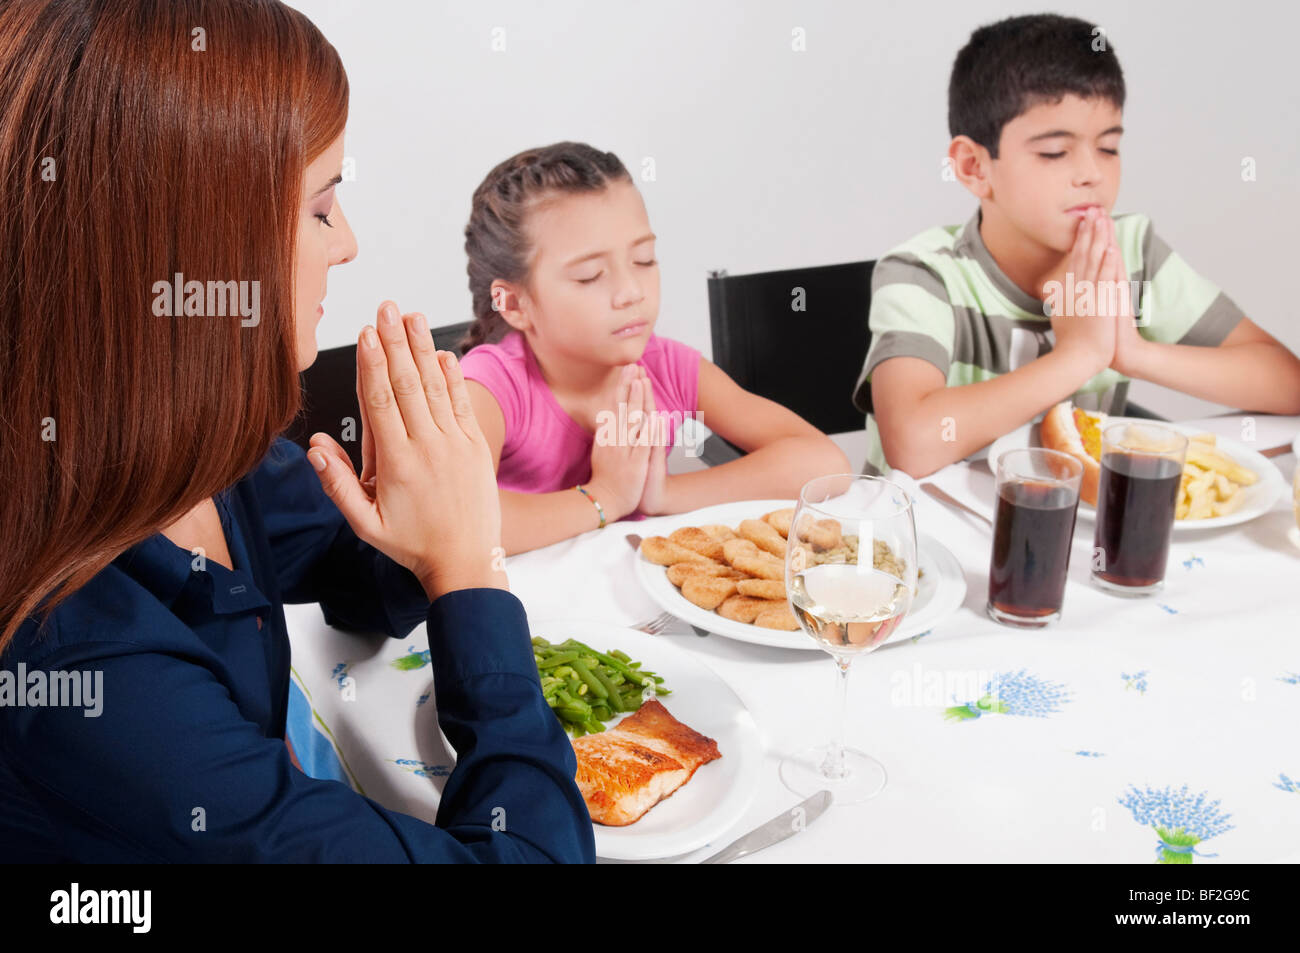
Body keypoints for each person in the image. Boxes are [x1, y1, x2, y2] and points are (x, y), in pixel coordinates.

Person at [0, 0, 592, 863]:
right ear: (194, 247)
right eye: (321, 208)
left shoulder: (198, 460)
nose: (346, 243)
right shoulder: (97, 681)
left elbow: (350, 575)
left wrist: (423, 500)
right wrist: (469, 569)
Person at [853, 13, 1300, 478]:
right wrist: (1079, 354)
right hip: (929, 539)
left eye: (1108, 147)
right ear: (973, 167)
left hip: (1071, 535)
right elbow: (914, 444)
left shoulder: (1131, 254)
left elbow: (1288, 383)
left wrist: (1131, 352)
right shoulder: (922, 273)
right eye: (1054, 152)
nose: (1092, 173)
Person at [458, 142, 852, 554]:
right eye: (591, 276)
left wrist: (662, 496)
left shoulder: (669, 367)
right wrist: (606, 496)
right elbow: (460, 519)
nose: (631, 291)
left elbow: (825, 464)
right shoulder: (491, 386)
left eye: (644, 260)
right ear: (516, 304)